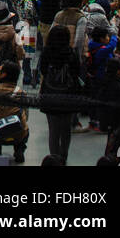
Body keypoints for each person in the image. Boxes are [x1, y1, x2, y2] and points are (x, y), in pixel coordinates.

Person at [39, 24, 83, 163]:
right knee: (66, 130)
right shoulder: (71, 53)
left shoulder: (46, 52)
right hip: (68, 97)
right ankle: (63, 158)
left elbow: (43, 71)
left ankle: (53, 160)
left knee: (53, 130)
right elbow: (76, 73)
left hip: (50, 96)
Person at [0, 60, 29, 164]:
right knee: (25, 129)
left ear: (4, 75)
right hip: (18, 133)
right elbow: (26, 116)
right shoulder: (21, 92)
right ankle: (19, 149)